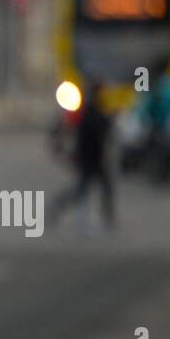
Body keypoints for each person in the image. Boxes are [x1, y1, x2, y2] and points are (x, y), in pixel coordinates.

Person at [50, 82, 115, 231]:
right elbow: (95, 129)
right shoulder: (89, 110)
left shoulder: (91, 108)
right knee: (82, 189)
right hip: (89, 157)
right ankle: (58, 208)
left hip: (92, 157)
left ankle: (106, 218)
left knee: (91, 188)